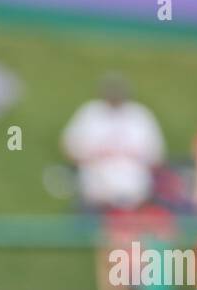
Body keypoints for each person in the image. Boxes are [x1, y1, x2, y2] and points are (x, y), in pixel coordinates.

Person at [60, 74, 165, 212]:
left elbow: (156, 156)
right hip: (97, 190)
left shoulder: (140, 115)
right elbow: (69, 148)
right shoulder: (90, 113)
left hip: (135, 191)